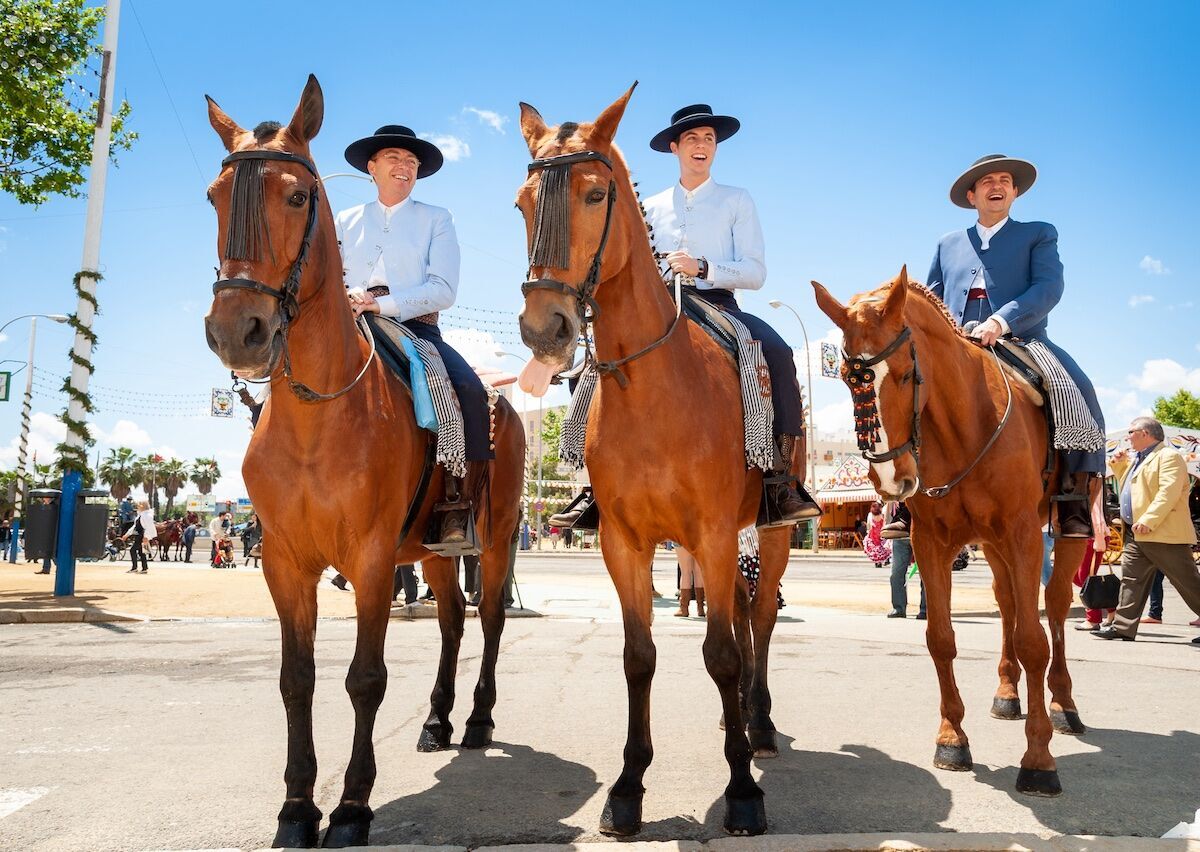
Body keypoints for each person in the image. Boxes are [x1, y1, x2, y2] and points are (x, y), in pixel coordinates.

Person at [641, 104, 820, 524]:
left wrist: (703, 267)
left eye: (708, 138)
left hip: (717, 303)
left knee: (776, 351)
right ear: (674, 148)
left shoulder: (737, 199)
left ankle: (781, 477)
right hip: (659, 308)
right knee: (595, 364)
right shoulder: (647, 205)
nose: (701, 145)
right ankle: (591, 480)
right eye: (691, 139)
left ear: (715, 148)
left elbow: (756, 271)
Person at [928, 154, 1104, 538]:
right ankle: (907, 501)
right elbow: (933, 296)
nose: (997, 186)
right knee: (907, 391)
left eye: (1004, 180)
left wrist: (1000, 320)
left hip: (1022, 337)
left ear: (1015, 191)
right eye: (987, 181)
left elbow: (1047, 287)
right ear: (972, 195)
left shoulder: (1039, 233)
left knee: (1078, 389)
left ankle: (1073, 498)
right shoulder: (947, 243)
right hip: (957, 343)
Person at [337, 124, 491, 546]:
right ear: (372, 167)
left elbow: (443, 289)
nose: (403, 167)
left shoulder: (437, 219)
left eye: (411, 162)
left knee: (469, 392)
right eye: (393, 158)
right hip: (347, 327)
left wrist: (380, 303)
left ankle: (458, 504)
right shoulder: (344, 220)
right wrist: (343, 292)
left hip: (414, 329)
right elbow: (325, 276)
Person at [1095, 417, 1200, 642]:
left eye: (1131, 432)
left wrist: (1149, 520)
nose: (1128, 437)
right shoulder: (1138, 459)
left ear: (1145, 433)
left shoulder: (1169, 457)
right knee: (1131, 581)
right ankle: (1123, 627)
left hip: (1163, 534)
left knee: (1188, 583)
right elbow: (1134, 488)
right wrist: (1120, 466)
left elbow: (1167, 492)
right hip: (1136, 534)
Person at [885, 502, 926, 619]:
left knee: (926, 574)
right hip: (901, 535)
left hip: (922, 532)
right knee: (896, 574)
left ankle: (926, 609)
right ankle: (898, 608)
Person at [122, 499, 158, 574]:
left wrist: (146, 537)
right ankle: (144, 568)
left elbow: (149, 527)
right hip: (140, 535)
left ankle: (135, 568)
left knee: (133, 550)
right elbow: (135, 526)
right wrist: (127, 534)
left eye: (139, 506)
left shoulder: (147, 515)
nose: (137, 507)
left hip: (142, 535)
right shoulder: (142, 515)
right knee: (141, 552)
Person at [674, 545, 705, 617]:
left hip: (682, 538)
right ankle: (701, 608)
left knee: (685, 572)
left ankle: (684, 608)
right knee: (699, 572)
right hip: (699, 538)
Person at [862, 501, 890, 568]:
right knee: (882, 547)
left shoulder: (870, 515)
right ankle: (884, 559)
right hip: (881, 532)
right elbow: (885, 523)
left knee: (874, 547)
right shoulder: (882, 515)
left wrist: (868, 532)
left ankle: (877, 562)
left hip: (873, 533)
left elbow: (869, 524)